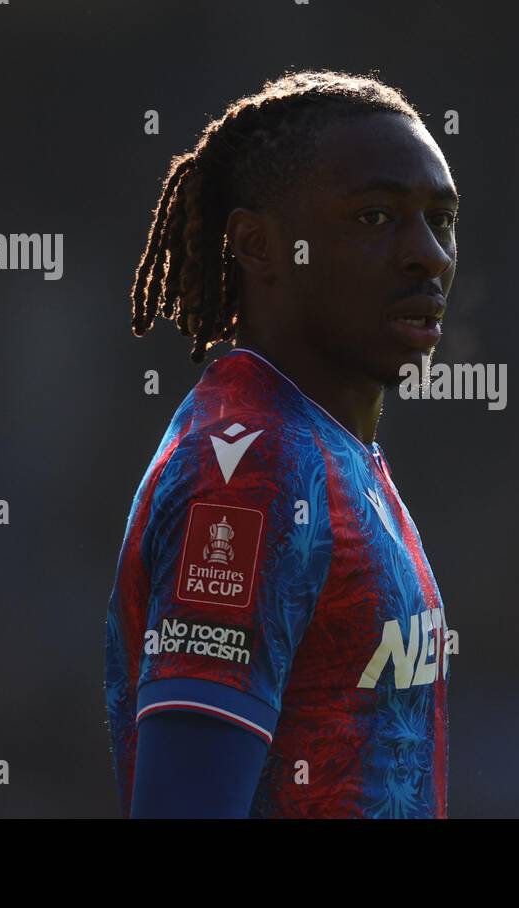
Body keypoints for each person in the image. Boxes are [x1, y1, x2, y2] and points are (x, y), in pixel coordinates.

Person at [105, 69, 458, 818]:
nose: (428, 255)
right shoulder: (250, 472)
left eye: (441, 219)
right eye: (375, 218)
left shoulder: (327, 448)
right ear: (258, 247)